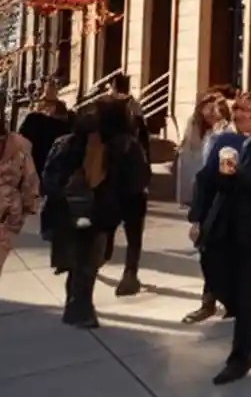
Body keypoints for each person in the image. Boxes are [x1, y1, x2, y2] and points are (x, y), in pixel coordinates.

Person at [191, 93, 251, 385]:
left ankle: (241, 356)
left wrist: (240, 173)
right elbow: (205, 180)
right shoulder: (224, 142)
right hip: (222, 225)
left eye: (248, 112)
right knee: (216, 277)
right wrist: (197, 218)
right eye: (237, 113)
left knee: (248, 292)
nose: (242, 117)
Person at [43, 98, 149, 328]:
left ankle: (75, 305)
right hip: (101, 213)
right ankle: (80, 309)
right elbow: (136, 184)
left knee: (77, 262)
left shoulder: (66, 142)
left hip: (69, 213)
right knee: (89, 261)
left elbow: (49, 179)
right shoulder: (126, 146)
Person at [177, 94, 235, 324]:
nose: (207, 113)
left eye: (212, 109)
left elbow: (223, 176)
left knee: (211, 253)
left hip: (217, 203)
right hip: (209, 198)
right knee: (212, 253)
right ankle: (218, 301)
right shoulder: (211, 134)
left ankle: (212, 302)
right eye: (205, 109)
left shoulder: (227, 136)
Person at [104, 73, 152, 296]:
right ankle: (130, 274)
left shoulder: (103, 112)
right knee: (134, 234)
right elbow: (145, 147)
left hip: (109, 187)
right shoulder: (136, 110)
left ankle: (100, 259)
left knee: (107, 228)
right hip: (133, 186)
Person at [18, 85, 73, 241]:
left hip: (39, 164)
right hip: (55, 166)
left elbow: (22, 139)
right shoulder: (65, 122)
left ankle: (48, 229)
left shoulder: (34, 119)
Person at [0, 95, 40, 281]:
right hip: (7, 217)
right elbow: (30, 182)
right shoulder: (19, 145)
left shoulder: (19, 145)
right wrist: (27, 206)